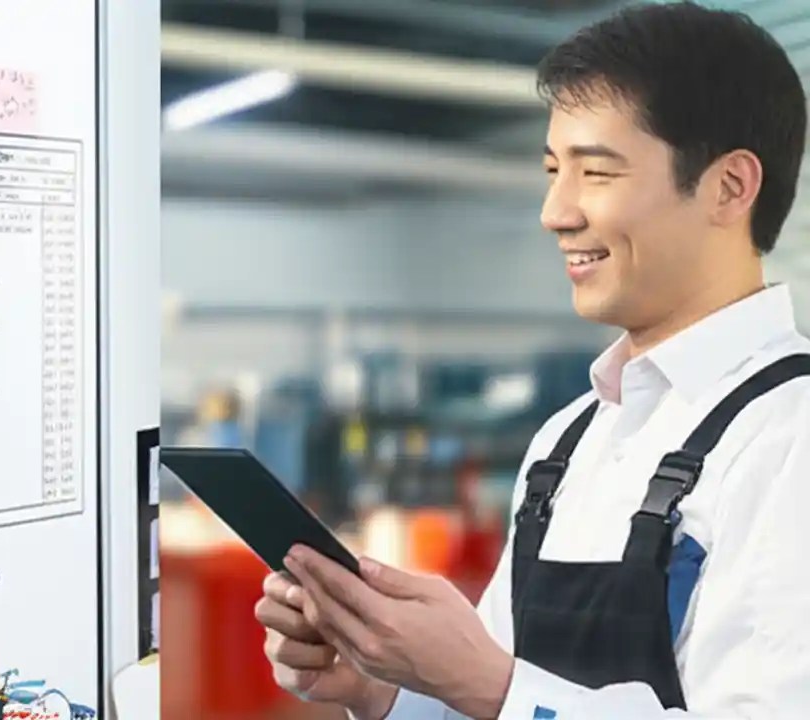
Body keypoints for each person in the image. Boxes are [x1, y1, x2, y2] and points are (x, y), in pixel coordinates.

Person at [255, 3, 810, 718]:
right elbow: (498, 702)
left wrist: (489, 683)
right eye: (553, 170)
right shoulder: (567, 440)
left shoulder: (789, 438)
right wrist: (387, 689)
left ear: (730, 187)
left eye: (597, 173)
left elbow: (506, 694)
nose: (556, 210)